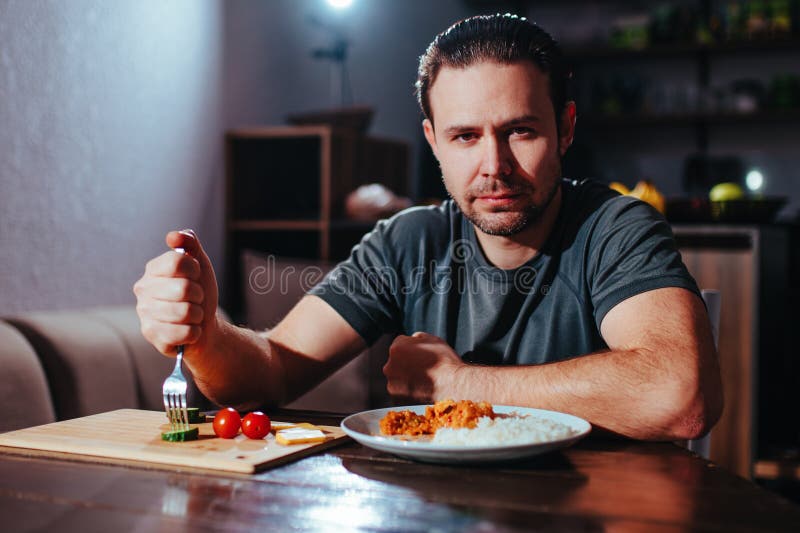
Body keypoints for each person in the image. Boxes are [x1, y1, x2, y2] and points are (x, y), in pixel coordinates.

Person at [134, 14, 722, 440]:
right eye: (465, 136)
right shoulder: (406, 241)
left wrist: (458, 383)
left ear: (565, 128)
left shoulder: (617, 228)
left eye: (521, 130)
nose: (494, 165)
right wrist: (208, 334)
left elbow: (679, 396)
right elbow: (272, 369)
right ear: (433, 142)